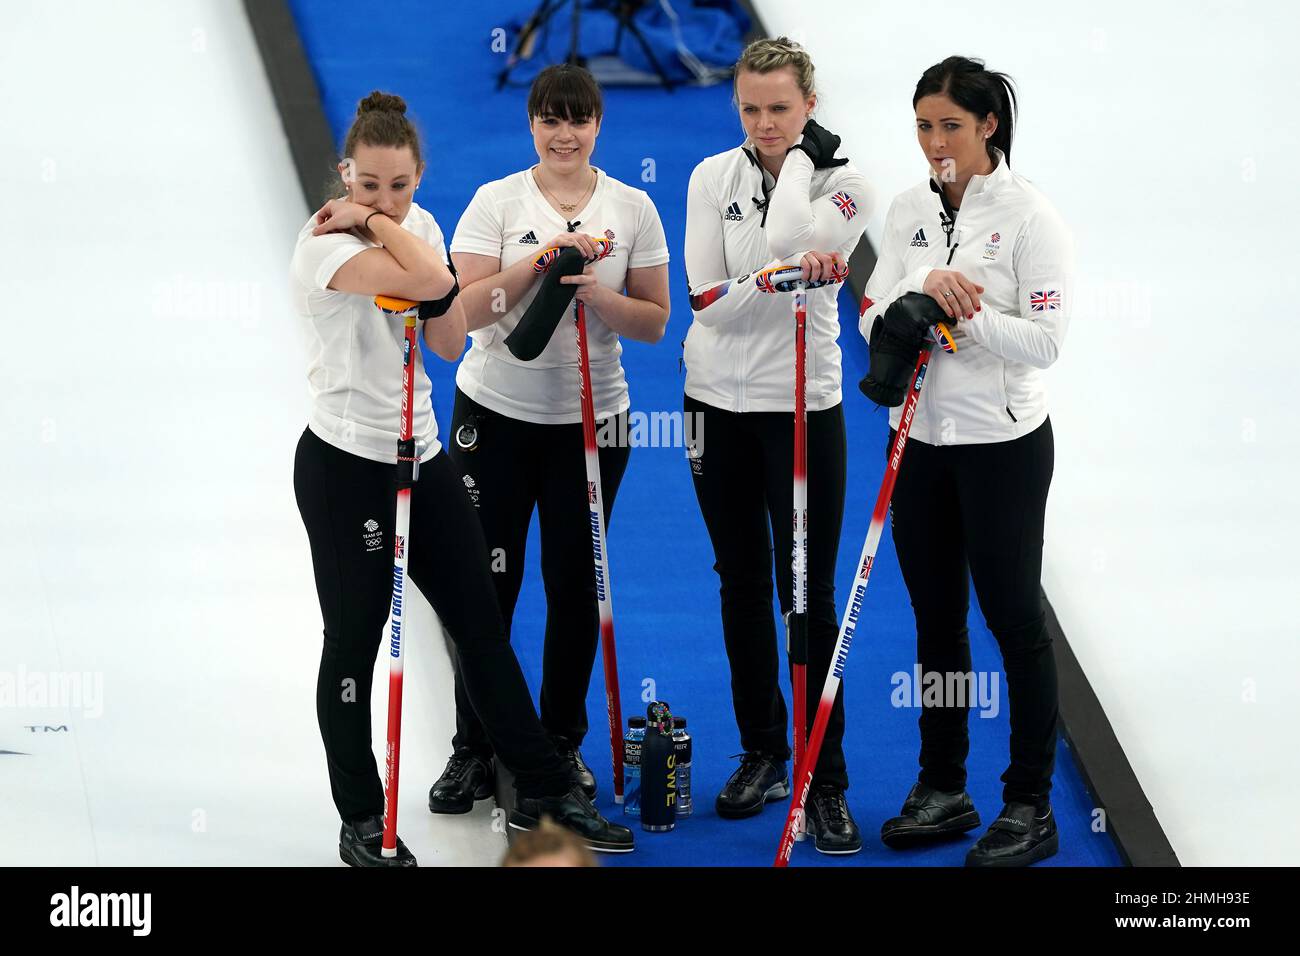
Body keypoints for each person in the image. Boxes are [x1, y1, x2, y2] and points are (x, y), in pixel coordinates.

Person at [290, 91, 633, 864]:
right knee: (354, 641)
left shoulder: (414, 229)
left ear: (418, 178)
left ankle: (544, 786)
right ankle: (361, 819)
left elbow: (447, 337)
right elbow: (423, 285)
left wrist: (399, 234)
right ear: (345, 173)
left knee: (480, 623)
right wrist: (389, 234)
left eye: (400, 186)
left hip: (424, 456)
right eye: (368, 185)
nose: (383, 199)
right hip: (347, 464)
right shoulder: (324, 243)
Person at [426, 64, 670, 814]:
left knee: (573, 587)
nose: (565, 135)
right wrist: (540, 263)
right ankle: (476, 746)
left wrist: (598, 293)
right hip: (494, 418)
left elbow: (655, 320)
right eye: (550, 120)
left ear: (599, 126)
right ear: (531, 125)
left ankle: (560, 743)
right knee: (486, 586)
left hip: (591, 427)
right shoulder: (496, 202)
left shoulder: (632, 209)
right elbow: (466, 309)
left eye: (579, 120)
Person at [861, 57, 1074, 867]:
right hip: (918, 444)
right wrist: (918, 283)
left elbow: (1047, 343)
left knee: (1014, 620)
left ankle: (1030, 805)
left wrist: (963, 313)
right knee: (936, 621)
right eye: (923, 125)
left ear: (988, 127)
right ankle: (943, 784)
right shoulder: (912, 205)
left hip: (1002, 447)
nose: (934, 142)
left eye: (951, 125)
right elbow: (876, 308)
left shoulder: (1031, 219)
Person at [681, 37, 873, 853]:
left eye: (781, 110)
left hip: (803, 406)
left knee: (808, 592)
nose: (764, 123)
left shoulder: (849, 182)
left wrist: (796, 168)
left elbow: (792, 231)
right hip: (713, 403)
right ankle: (762, 749)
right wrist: (775, 277)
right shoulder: (707, 177)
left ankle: (823, 778)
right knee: (739, 581)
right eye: (752, 109)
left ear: (810, 106)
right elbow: (703, 300)